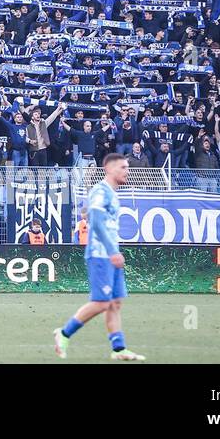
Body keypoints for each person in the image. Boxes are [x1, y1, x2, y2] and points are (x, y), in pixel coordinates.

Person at [53, 153, 145, 361]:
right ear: (110, 169)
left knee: (115, 303)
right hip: (100, 255)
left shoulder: (113, 194)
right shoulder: (100, 191)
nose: (127, 171)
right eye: (123, 167)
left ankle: (119, 349)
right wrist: (113, 252)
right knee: (102, 303)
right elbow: (95, 221)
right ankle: (64, 333)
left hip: (111, 255)